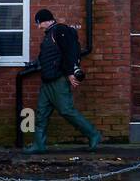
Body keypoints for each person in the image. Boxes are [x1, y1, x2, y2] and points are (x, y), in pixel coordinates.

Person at [25, 9, 101, 154]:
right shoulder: (49, 35)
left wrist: (70, 73)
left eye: (39, 23)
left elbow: (71, 53)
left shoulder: (60, 31)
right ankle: (39, 144)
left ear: (46, 20)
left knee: (66, 110)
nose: (38, 27)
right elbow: (47, 56)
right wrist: (33, 64)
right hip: (47, 81)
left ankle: (93, 134)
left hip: (58, 80)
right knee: (41, 113)